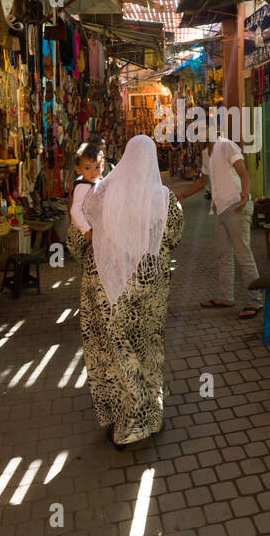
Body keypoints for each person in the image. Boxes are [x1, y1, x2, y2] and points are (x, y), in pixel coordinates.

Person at [67, 135, 184, 450]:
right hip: (149, 288)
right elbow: (174, 234)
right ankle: (147, 416)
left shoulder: (101, 193)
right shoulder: (164, 197)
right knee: (147, 347)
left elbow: (76, 238)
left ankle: (124, 418)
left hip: (106, 287)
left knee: (113, 352)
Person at [176, 133, 262, 319]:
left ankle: (255, 301)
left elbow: (243, 173)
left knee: (243, 255)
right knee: (224, 254)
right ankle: (225, 297)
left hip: (236, 206)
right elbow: (202, 181)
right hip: (221, 208)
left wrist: (245, 196)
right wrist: (183, 195)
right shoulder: (207, 153)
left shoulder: (227, 146)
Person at [70, 140, 104, 241]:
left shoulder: (98, 182)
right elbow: (75, 210)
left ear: (102, 166)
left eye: (97, 167)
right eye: (87, 168)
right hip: (82, 233)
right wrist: (87, 230)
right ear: (78, 169)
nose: (93, 172)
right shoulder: (83, 186)